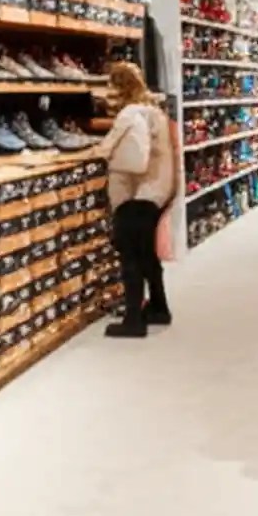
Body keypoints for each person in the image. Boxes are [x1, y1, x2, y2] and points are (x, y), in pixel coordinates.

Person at [95, 62, 178, 338]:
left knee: (129, 254)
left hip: (140, 194)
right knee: (147, 255)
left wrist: (96, 151)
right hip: (159, 190)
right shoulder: (153, 110)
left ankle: (133, 319)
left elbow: (110, 150)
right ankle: (158, 307)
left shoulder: (130, 114)